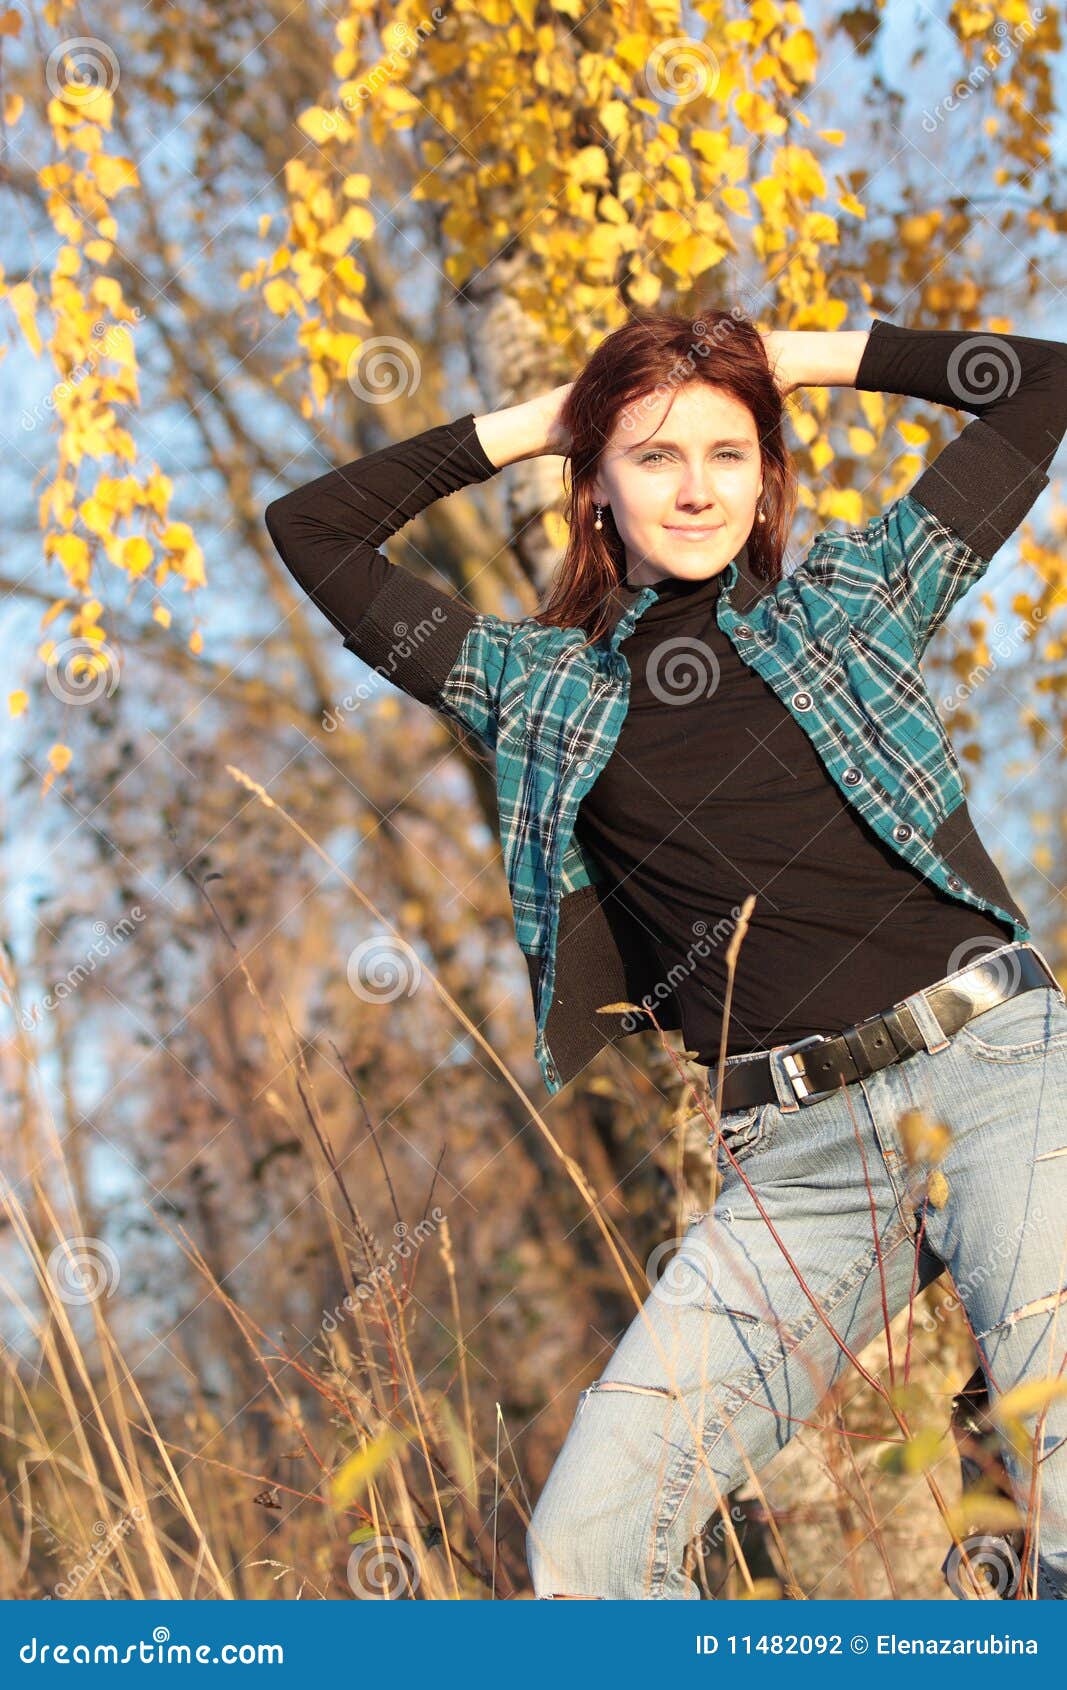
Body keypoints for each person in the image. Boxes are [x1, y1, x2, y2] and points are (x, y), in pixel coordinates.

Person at [264, 308, 1067, 1599]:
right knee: (587, 1547)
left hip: (998, 1071)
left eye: (727, 453)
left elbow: (1041, 385)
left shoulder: (854, 604)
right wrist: (548, 422)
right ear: (595, 492)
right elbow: (312, 529)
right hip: (797, 1159)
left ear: (766, 483)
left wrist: (796, 355)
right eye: (650, 456)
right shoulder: (539, 686)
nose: (694, 485)